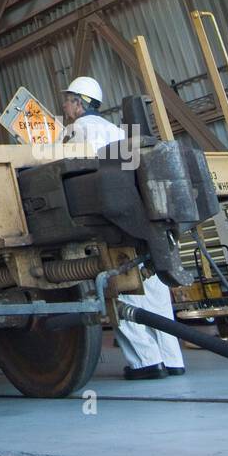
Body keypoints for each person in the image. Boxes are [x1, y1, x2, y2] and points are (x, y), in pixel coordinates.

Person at [60, 75, 185, 381]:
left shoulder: (76, 130)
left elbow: (69, 170)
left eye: (67, 100)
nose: (64, 106)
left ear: (78, 103)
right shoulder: (117, 130)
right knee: (156, 292)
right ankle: (172, 359)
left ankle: (145, 363)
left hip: (113, 224)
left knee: (123, 293)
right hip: (145, 221)